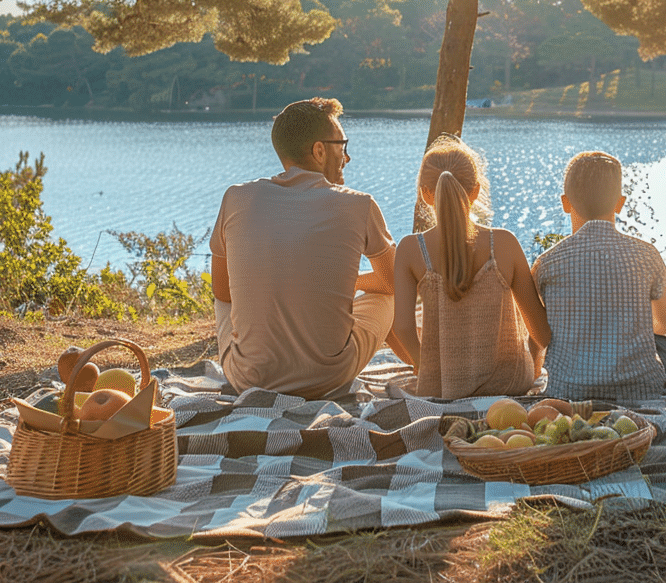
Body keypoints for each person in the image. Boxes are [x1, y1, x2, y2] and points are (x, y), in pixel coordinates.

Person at [210, 97, 410, 399]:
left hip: (250, 379)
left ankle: (260, 354)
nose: (347, 157)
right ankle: (417, 362)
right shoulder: (360, 204)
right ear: (319, 150)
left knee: (224, 303)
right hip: (330, 378)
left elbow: (223, 294)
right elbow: (394, 281)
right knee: (388, 294)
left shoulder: (237, 198)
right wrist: (351, 284)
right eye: (342, 145)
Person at [392, 136, 551, 398]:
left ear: (424, 194)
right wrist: (532, 365)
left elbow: (403, 328)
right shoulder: (504, 243)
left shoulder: (410, 249)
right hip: (510, 383)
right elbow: (540, 332)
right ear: (476, 191)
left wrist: (427, 368)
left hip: (443, 387)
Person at [532, 151, 666, 402]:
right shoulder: (646, 255)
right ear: (620, 202)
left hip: (569, 390)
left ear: (565, 202)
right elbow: (663, 325)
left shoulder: (547, 263)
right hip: (639, 388)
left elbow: (539, 336)